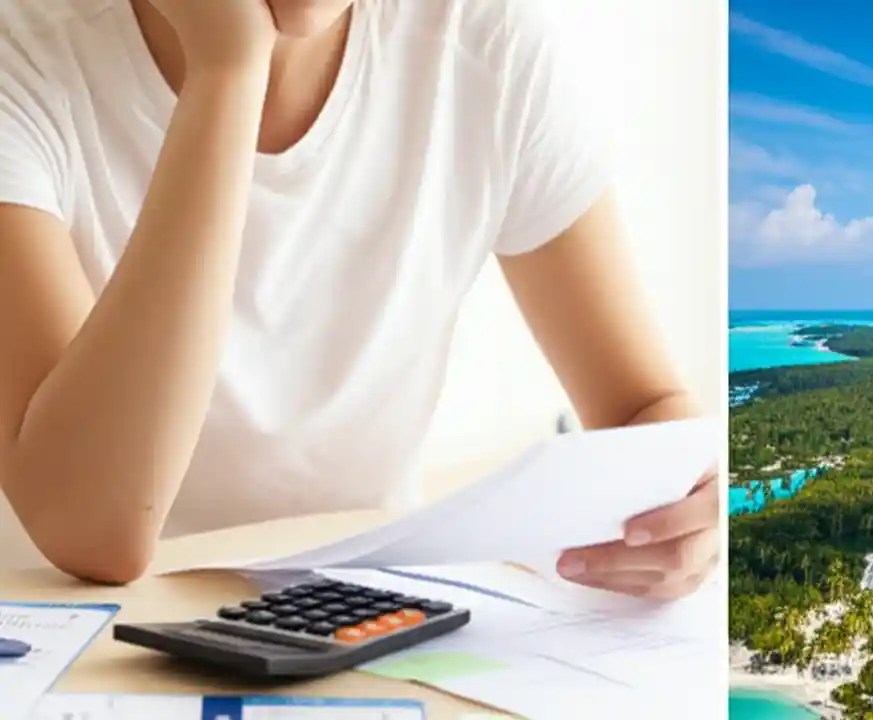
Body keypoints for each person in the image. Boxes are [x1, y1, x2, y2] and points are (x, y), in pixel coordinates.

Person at [0, 0, 719, 599]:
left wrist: (689, 512)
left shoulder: (481, 44)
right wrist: (229, 69)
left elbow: (644, 408)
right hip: (78, 647)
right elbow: (95, 534)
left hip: (359, 620)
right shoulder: (25, 57)